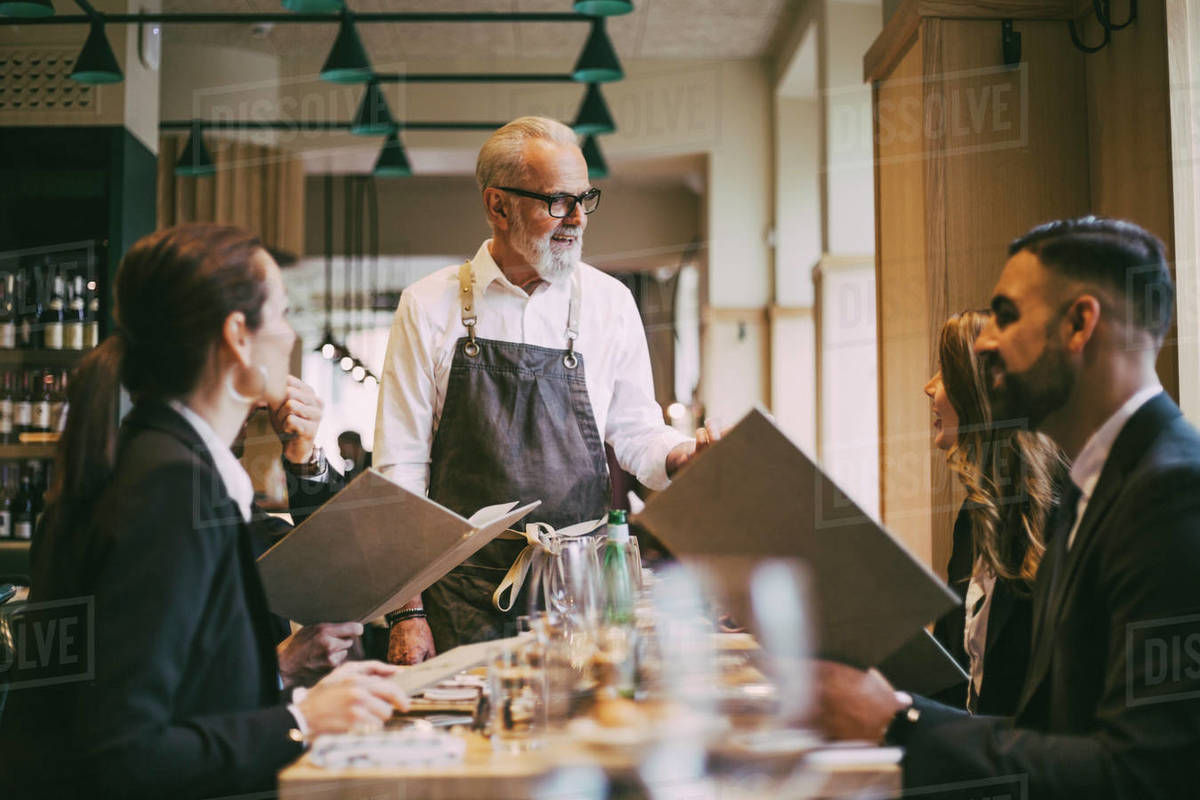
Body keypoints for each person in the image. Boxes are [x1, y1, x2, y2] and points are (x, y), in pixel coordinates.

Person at [0, 225, 408, 799]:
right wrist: (303, 721)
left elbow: (169, 694)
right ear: (239, 336)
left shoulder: (160, 465)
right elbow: (123, 750)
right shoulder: (169, 490)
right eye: (284, 313)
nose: (290, 332)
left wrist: (294, 689)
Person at [815, 217, 1200, 799]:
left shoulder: (1171, 494)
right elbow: (1045, 733)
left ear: (1079, 324)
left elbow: (1142, 776)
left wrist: (900, 724)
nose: (987, 341)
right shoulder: (1093, 484)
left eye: (1006, 314)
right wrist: (891, 708)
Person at [375, 116, 716, 664]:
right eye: (557, 201)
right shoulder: (427, 306)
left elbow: (634, 432)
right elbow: (401, 473)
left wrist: (681, 457)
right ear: (498, 204)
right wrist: (407, 612)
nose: (578, 219)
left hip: (581, 589)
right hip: (457, 592)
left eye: (585, 199)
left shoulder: (609, 303)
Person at [924, 310, 1063, 714]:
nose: (929, 387)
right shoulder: (973, 515)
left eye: (945, 372)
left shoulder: (1056, 517)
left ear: (985, 389)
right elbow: (953, 679)